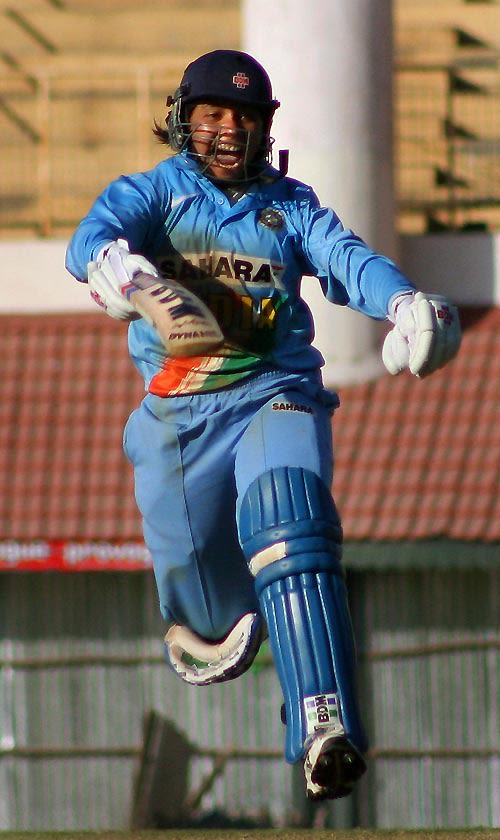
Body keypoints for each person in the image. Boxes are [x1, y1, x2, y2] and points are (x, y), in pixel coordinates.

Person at [66, 49, 461, 801]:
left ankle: (323, 722)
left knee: (292, 519)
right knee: (212, 620)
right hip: (179, 418)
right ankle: (216, 616)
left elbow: (345, 258)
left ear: (264, 127)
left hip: (276, 389)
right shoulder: (157, 194)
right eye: (214, 114)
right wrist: (121, 270)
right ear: (185, 120)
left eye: (244, 117)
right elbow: (94, 236)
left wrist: (405, 301)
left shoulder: (290, 205)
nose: (229, 130)